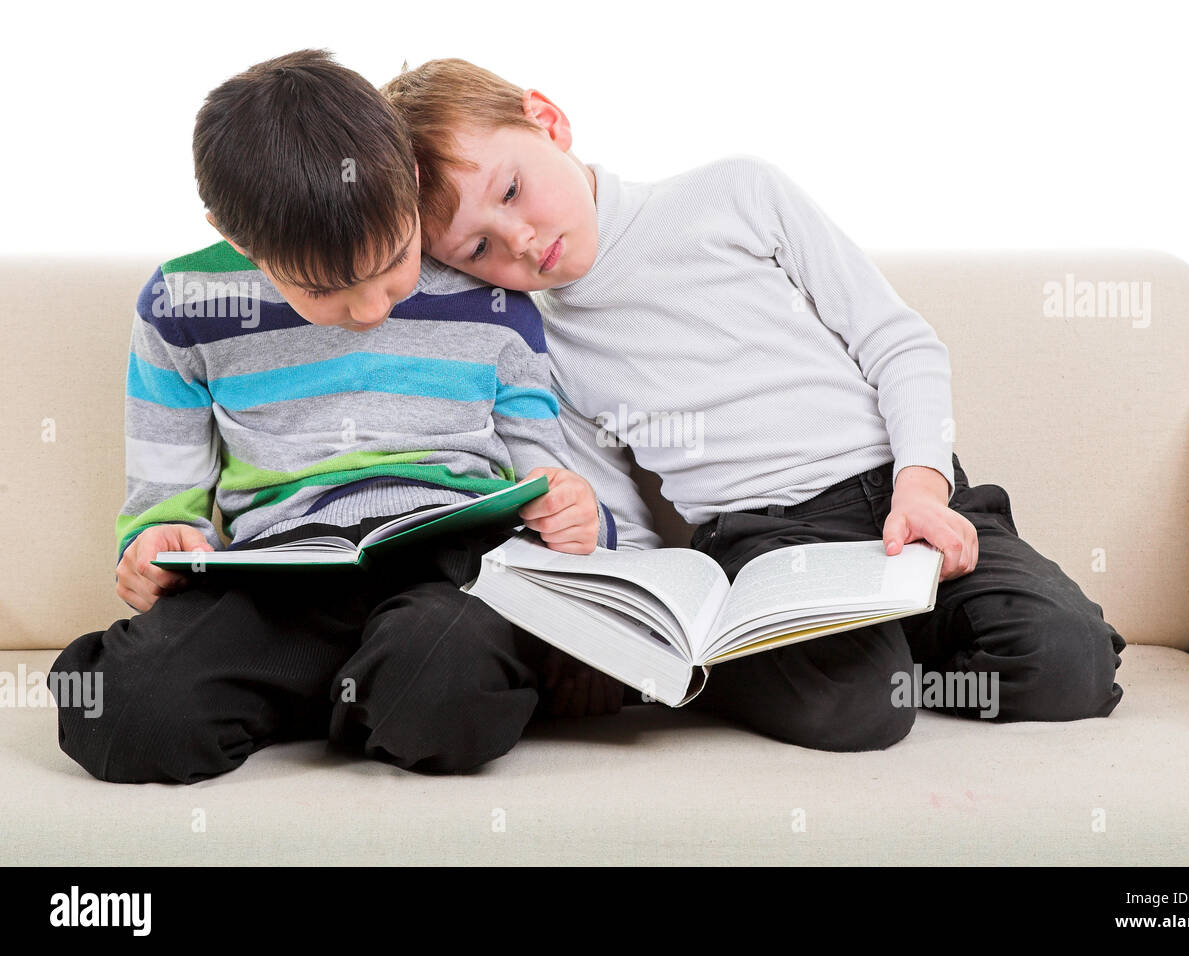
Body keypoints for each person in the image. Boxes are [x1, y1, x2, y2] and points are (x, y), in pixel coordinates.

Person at [382, 58, 1128, 750]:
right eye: (477, 249)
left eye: (511, 191)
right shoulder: (540, 337)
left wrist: (923, 485)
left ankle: (900, 635)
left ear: (548, 120)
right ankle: (763, 657)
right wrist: (624, 628)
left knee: (1067, 665)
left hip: (904, 499)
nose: (518, 238)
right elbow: (620, 513)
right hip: (767, 543)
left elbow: (901, 344)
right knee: (857, 706)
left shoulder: (736, 192)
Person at [49, 50, 620, 785]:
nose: (369, 310)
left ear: (408, 181)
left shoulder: (490, 290)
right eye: (325, 291)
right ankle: (366, 690)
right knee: (119, 713)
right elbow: (166, 497)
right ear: (239, 236)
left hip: (446, 565)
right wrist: (156, 543)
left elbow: (539, 459)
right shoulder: (182, 304)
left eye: (393, 265)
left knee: (445, 676)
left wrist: (568, 504)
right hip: (282, 572)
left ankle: (376, 687)